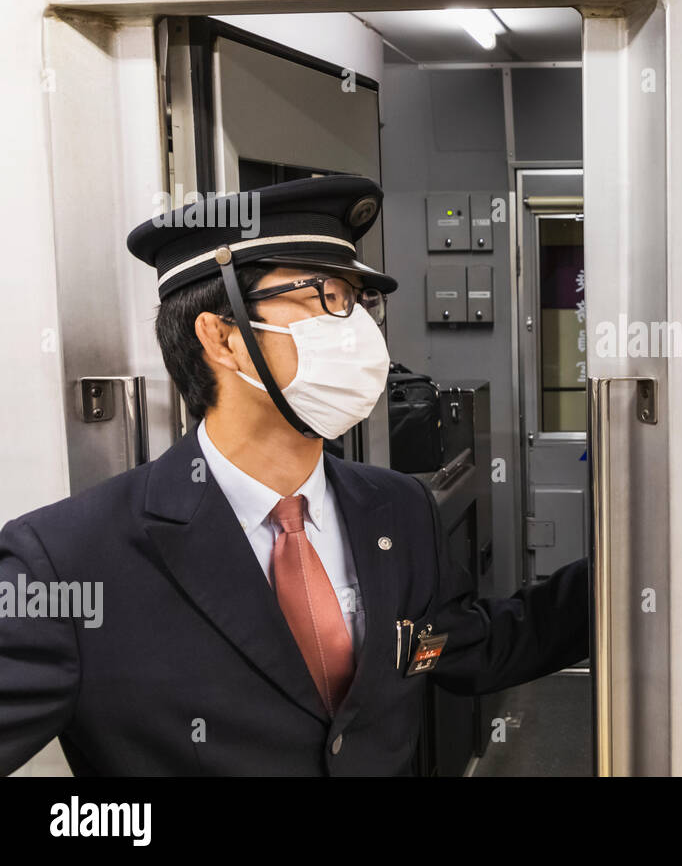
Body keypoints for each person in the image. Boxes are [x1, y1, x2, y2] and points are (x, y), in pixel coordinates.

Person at [0, 175, 589, 775]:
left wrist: (635, 571)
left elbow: (466, 649)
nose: (356, 326)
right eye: (325, 296)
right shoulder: (66, 561)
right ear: (223, 338)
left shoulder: (397, 508)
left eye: (358, 301)